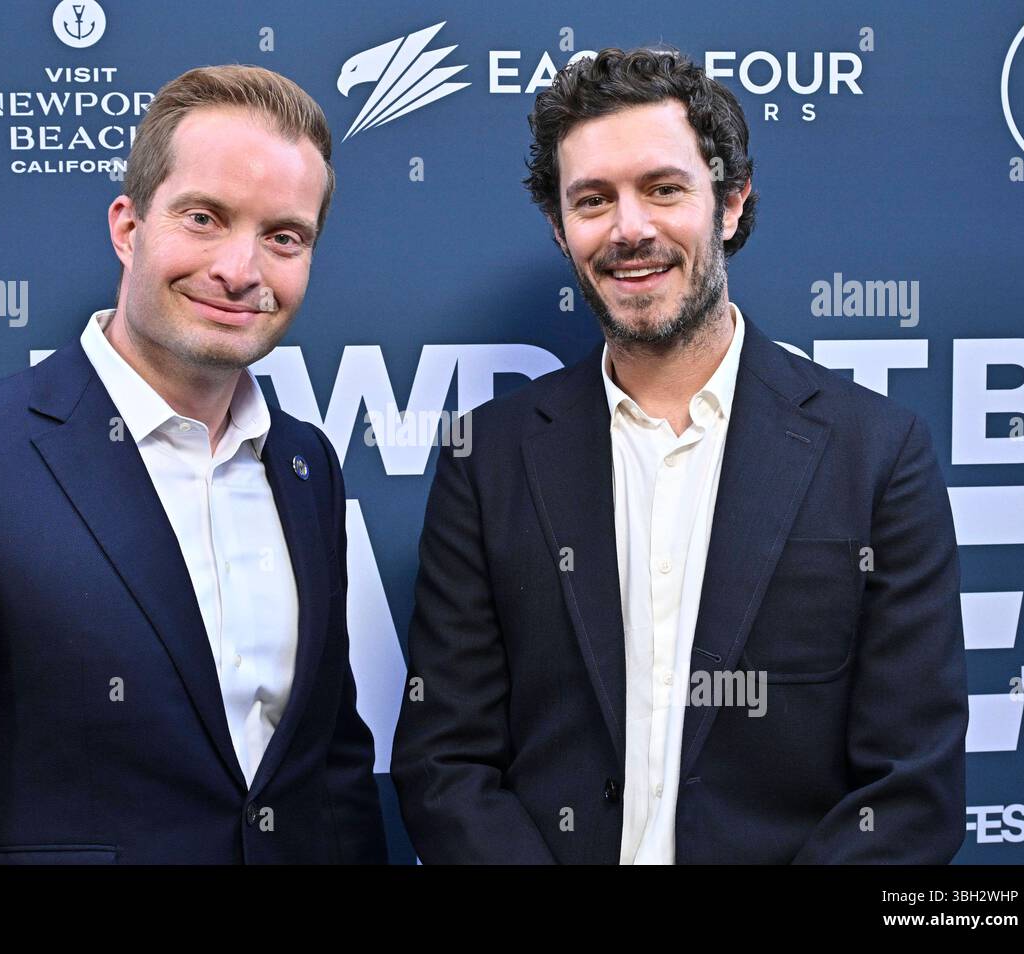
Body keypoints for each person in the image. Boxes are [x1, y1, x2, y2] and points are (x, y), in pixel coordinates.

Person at [391, 46, 967, 864]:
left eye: (664, 189)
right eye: (593, 200)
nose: (630, 228)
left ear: (730, 204)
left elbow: (910, 793)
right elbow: (445, 764)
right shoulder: (487, 459)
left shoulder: (877, 454)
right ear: (561, 232)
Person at [0, 64, 386, 864]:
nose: (241, 268)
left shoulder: (305, 465)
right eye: (204, 217)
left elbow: (330, 771)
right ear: (128, 226)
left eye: (283, 236)